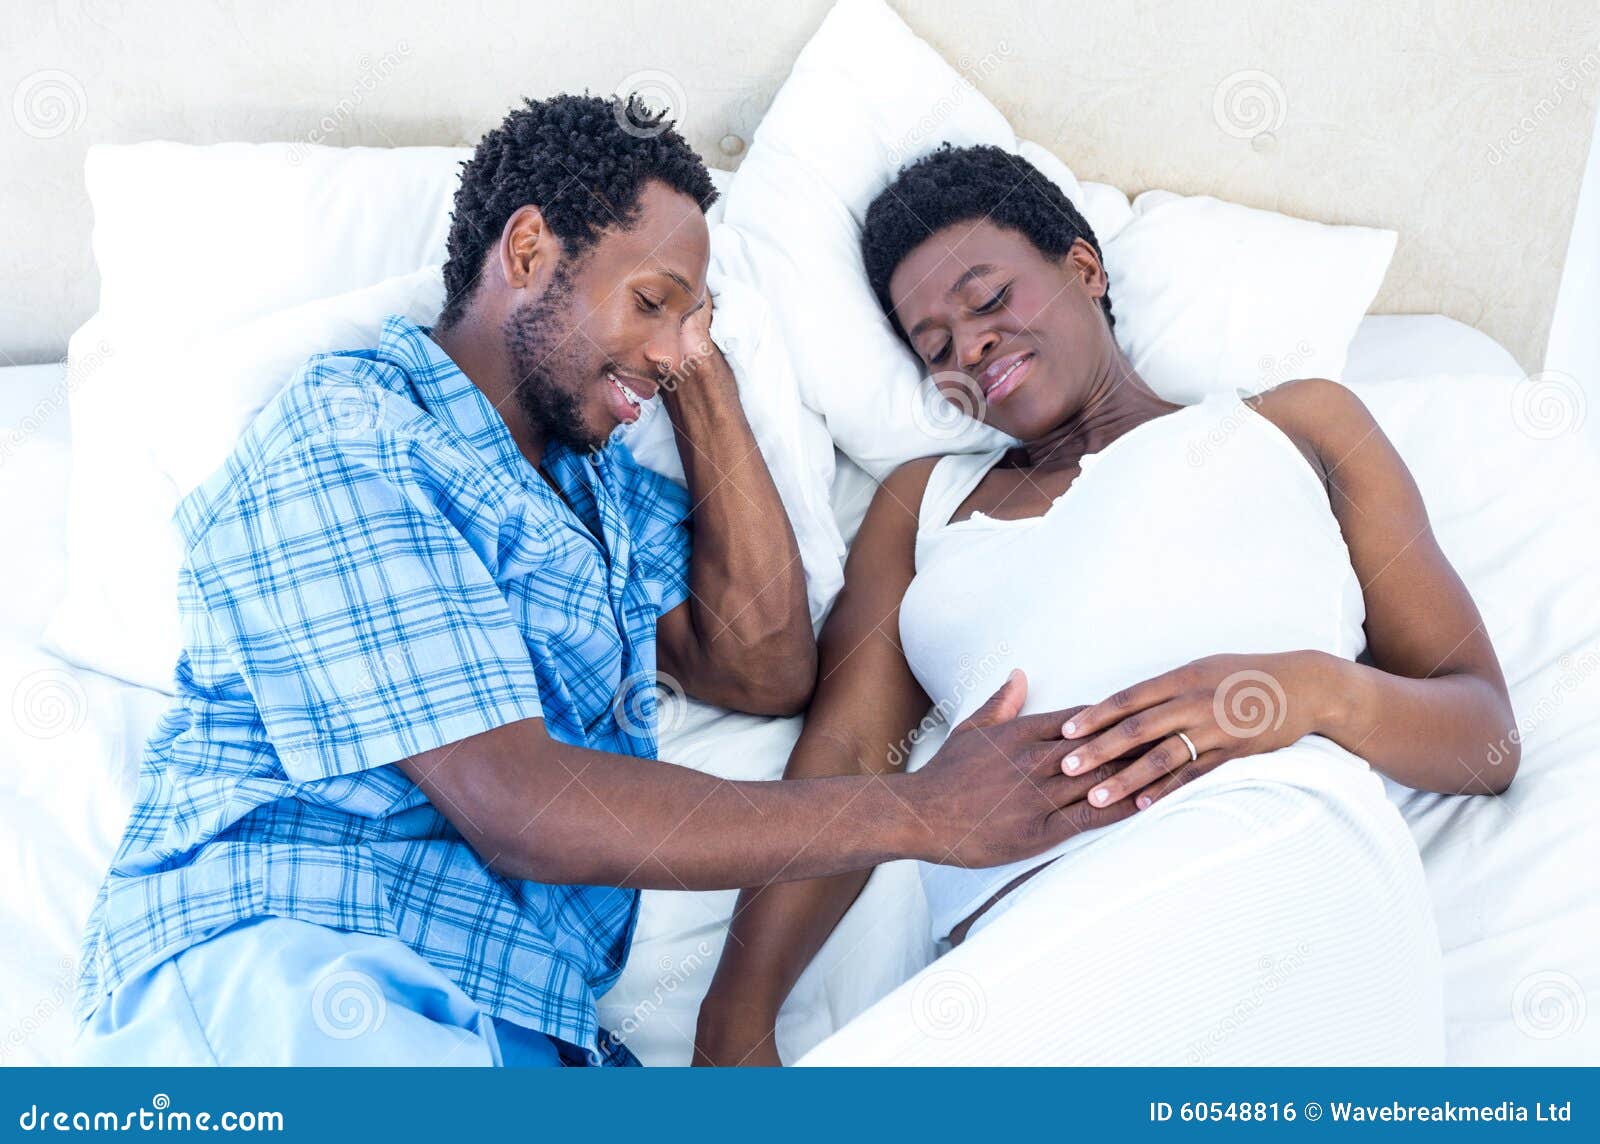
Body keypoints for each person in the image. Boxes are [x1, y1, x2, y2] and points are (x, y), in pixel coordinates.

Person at [72, 103, 1093, 1068]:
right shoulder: (356, 435)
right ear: (526, 252)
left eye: (693, 316)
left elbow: (767, 666)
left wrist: (695, 370)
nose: (669, 345)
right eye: (649, 300)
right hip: (301, 964)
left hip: (523, 1021)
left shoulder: (593, 493)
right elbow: (515, 802)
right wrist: (923, 810)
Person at [694, 144, 1518, 1066]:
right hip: (1012, 961)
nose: (970, 347)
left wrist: (1312, 691)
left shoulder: (1294, 424)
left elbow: (1486, 735)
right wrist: (734, 1018)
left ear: (1083, 267)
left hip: (1268, 865)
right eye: (936, 347)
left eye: (988, 299)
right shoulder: (921, 507)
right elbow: (847, 758)